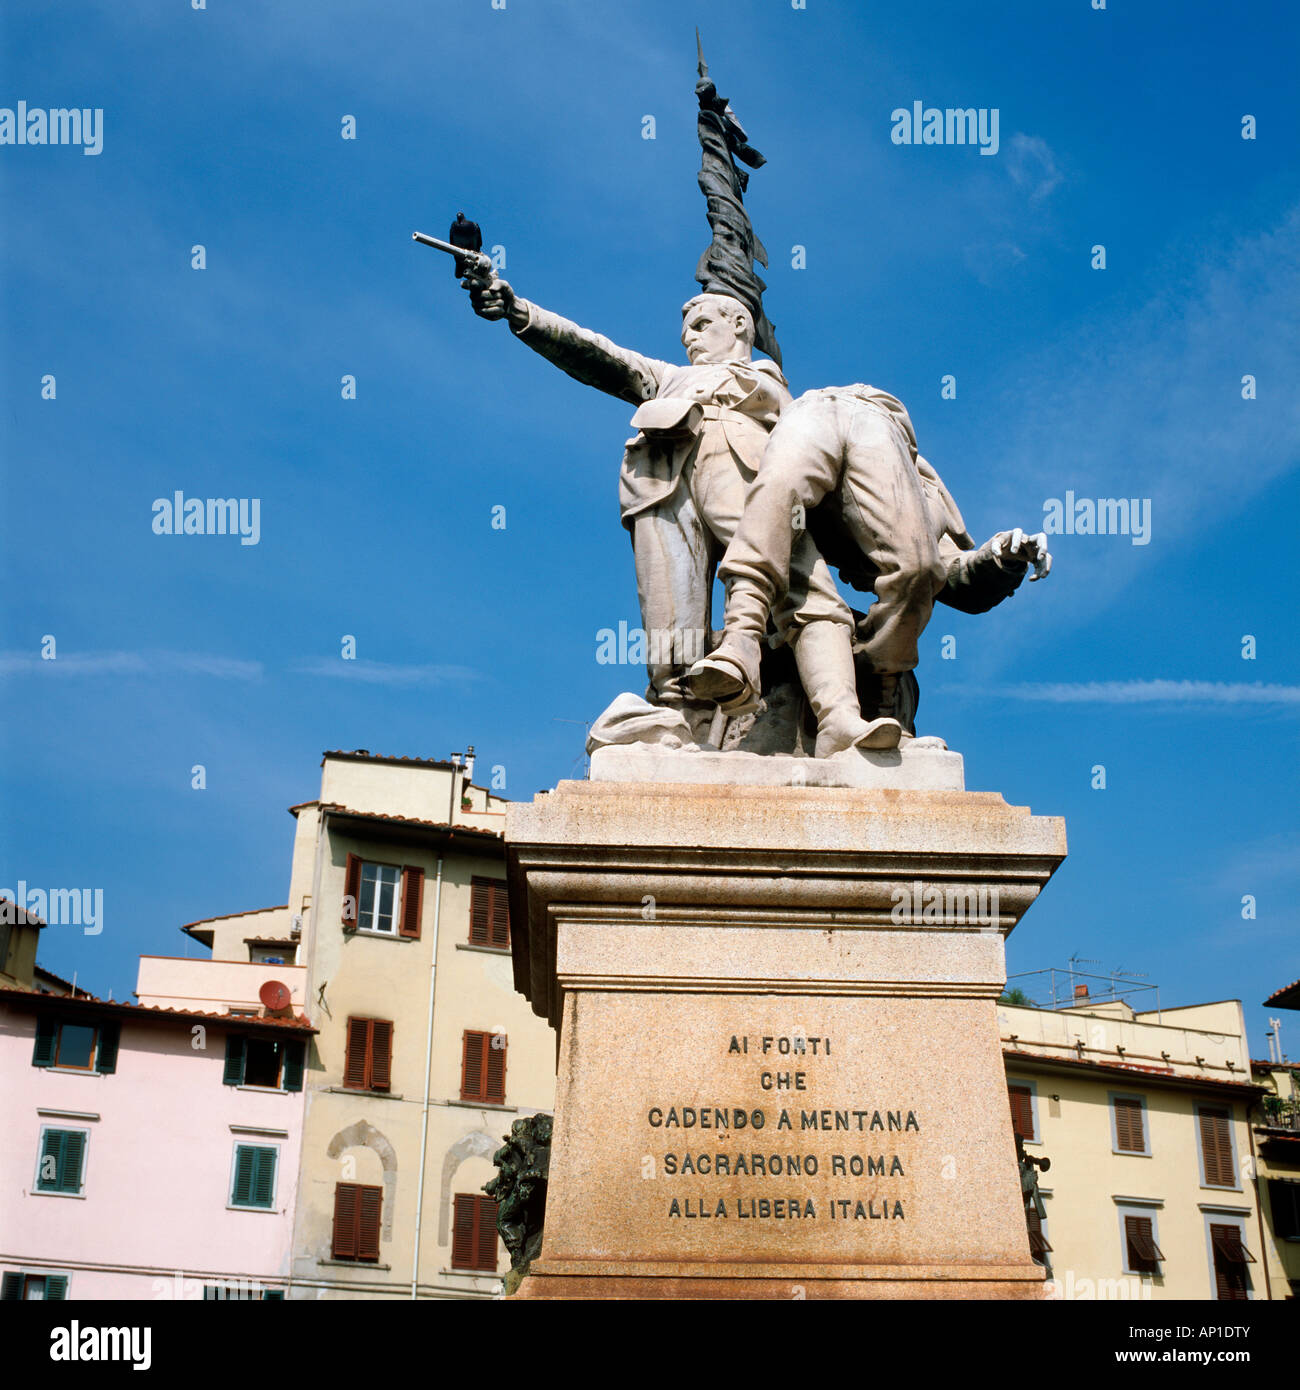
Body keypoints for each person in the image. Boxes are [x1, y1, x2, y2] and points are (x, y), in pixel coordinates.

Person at [459, 267, 863, 743]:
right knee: (672, 631)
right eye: (684, 332)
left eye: (699, 326)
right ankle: (680, 733)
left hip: (752, 476)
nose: (687, 339)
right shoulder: (670, 378)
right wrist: (518, 309)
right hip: (661, 486)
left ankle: (840, 719)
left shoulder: (788, 397)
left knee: (804, 590)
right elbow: (595, 352)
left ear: (738, 324)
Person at [687, 383, 1051, 749]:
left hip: (884, 423)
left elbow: (945, 571)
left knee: (917, 570)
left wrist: (1000, 557)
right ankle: (741, 638)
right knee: (778, 491)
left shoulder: (923, 491)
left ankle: (879, 683)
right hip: (814, 412)